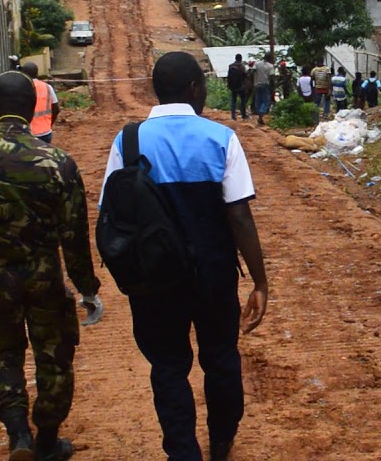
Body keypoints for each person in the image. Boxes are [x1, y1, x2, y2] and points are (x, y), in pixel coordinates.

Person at [99, 52, 267, 461]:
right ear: (194, 89)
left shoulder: (129, 140)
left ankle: (182, 451)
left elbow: (111, 212)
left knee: (169, 365)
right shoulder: (220, 138)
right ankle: (222, 439)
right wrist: (260, 281)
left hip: (154, 277)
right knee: (221, 356)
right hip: (212, 274)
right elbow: (239, 215)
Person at [0, 70, 102, 461]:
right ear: (33, 108)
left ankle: (18, 437)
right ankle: (46, 439)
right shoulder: (58, 161)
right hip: (45, 277)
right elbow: (74, 233)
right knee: (54, 356)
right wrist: (87, 286)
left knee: (5, 355)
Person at [21, 63, 60, 144]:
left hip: (27, 133)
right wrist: (49, 124)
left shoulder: (20, 88)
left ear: (23, 74)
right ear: (37, 73)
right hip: (45, 132)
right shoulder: (47, 87)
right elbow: (56, 109)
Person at [252, 53, 276, 124]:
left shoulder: (257, 64)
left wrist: (253, 81)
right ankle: (261, 114)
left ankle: (258, 112)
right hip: (265, 84)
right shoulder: (270, 66)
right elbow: (272, 77)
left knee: (258, 99)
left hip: (257, 84)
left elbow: (252, 71)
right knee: (265, 100)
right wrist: (273, 86)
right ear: (270, 58)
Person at [226, 54, 249, 121]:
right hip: (241, 87)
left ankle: (233, 116)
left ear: (235, 58)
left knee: (233, 101)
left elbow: (228, 76)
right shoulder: (242, 67)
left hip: (233, 86)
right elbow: (245, 76)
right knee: (243, 101)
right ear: (241, 59)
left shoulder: (230, 66)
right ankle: (243, 115)